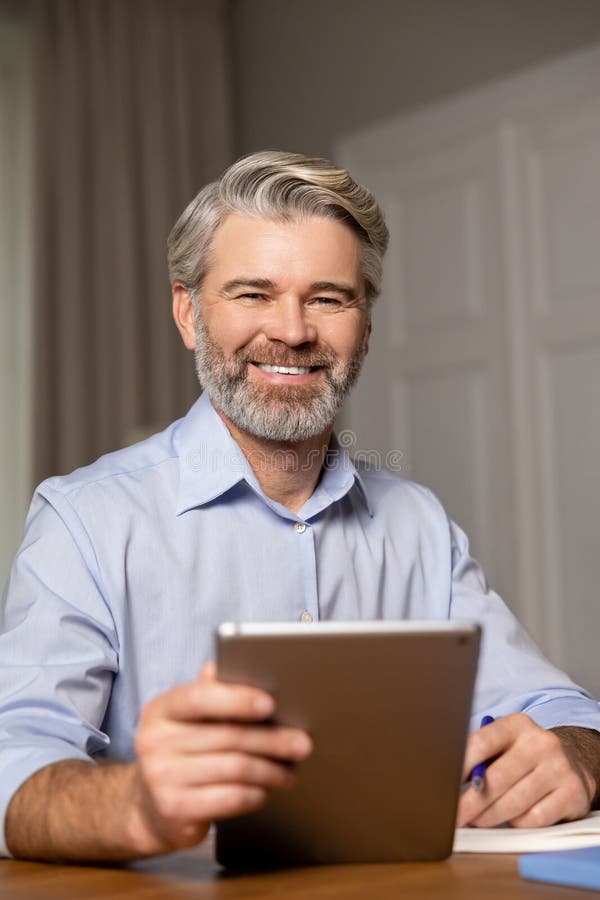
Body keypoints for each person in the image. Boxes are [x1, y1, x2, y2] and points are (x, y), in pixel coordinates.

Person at [1, 151, 600, 864]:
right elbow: (13, 762)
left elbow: (563, 712)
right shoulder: (84, 520)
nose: (292, 331)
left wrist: (574, 760)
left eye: (328, 298)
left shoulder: (417, 524)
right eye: (253, 294)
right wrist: (135, 803)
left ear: (366, 326)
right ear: (188, 312)